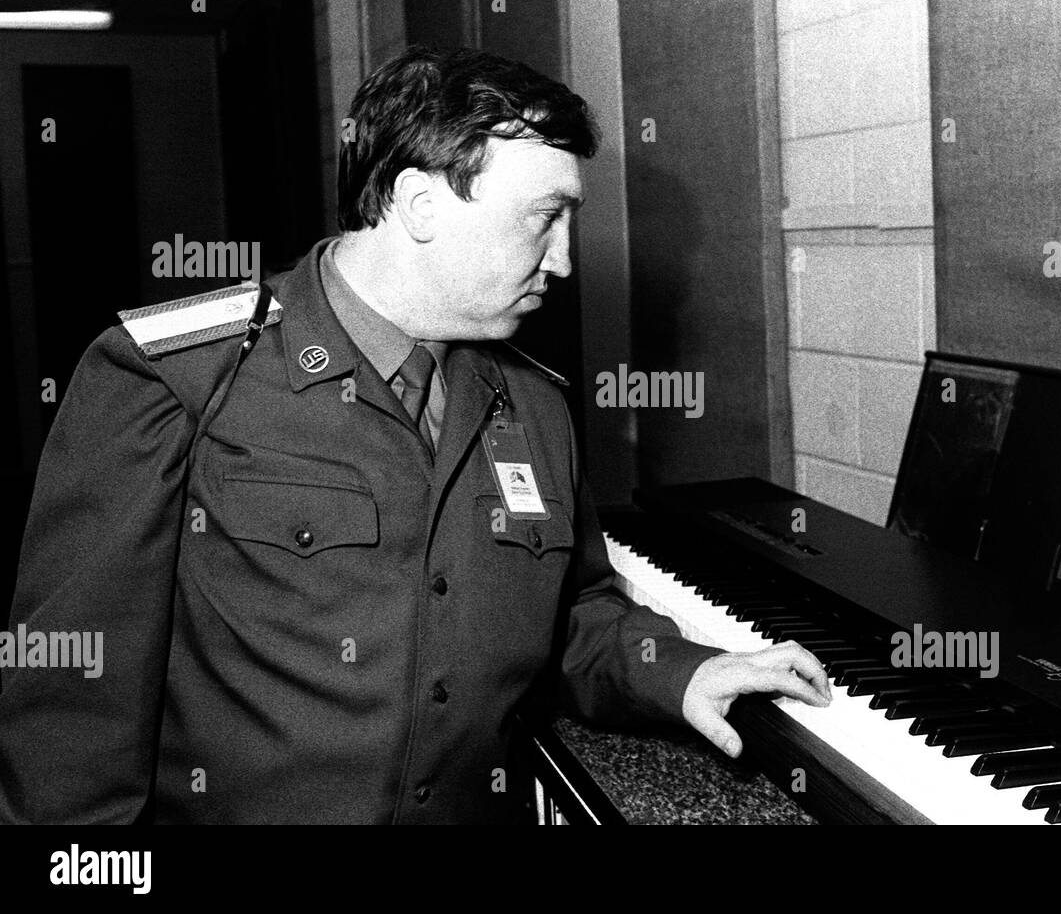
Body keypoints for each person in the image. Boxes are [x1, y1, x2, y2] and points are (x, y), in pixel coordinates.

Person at [0, 46, 830, 824]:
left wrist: (678, 671)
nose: (565, 260)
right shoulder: (177, 377)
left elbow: (574, 609)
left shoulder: (534, 407)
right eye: (545, 218)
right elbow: (71, 714)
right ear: (418, 203)